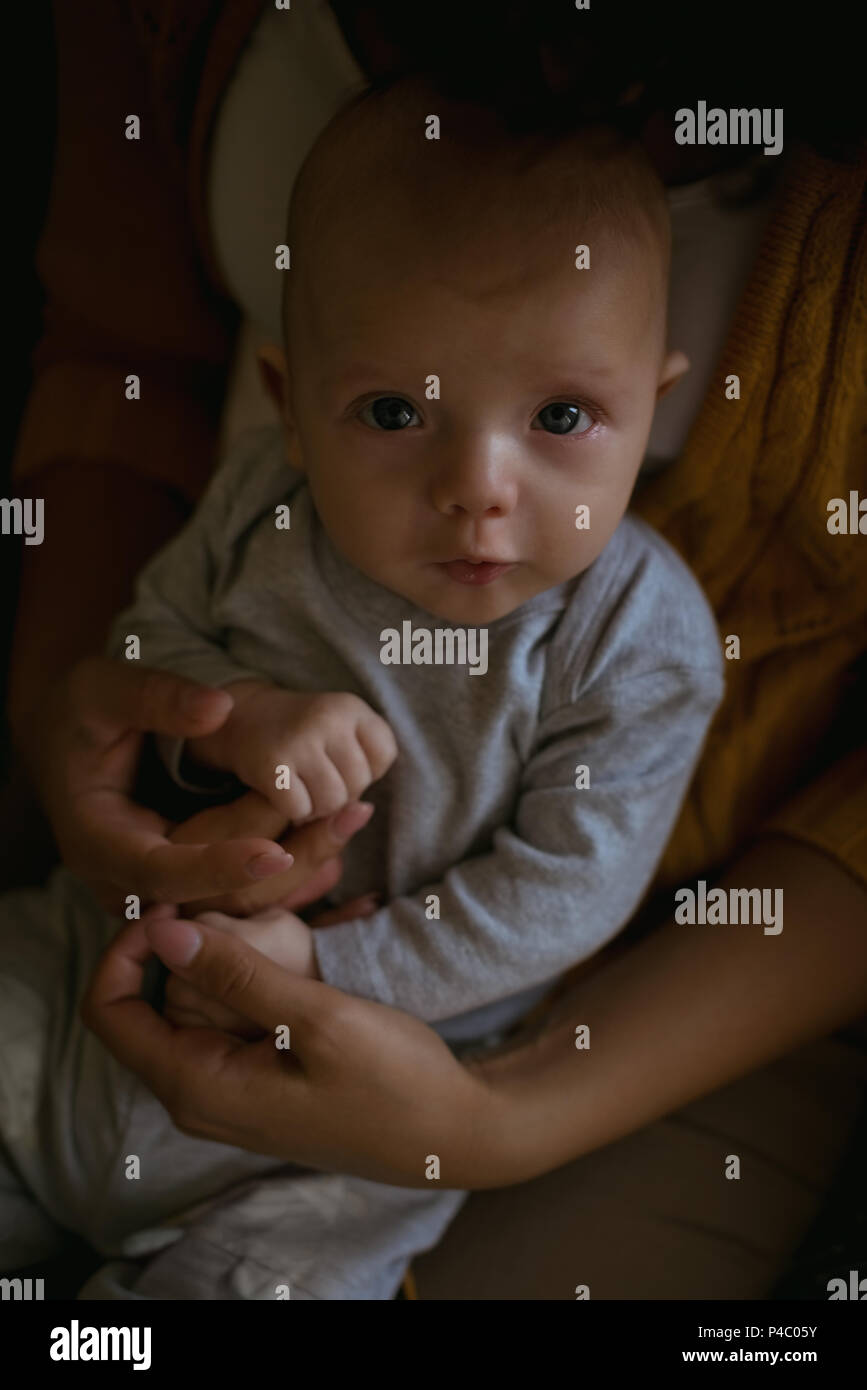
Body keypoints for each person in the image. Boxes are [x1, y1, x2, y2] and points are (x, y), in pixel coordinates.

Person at [5, 1, 867, 1298]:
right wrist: (222, 714)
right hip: (101, 958)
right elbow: (150, 632)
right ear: (294, 411)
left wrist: (331, 968)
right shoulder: (261, 505)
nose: (477, 487)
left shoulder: (637, 632)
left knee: (304, 1257)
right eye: (395, 411)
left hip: (390, 1075)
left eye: (562, 415)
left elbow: (568, 886)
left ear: (661, 402)